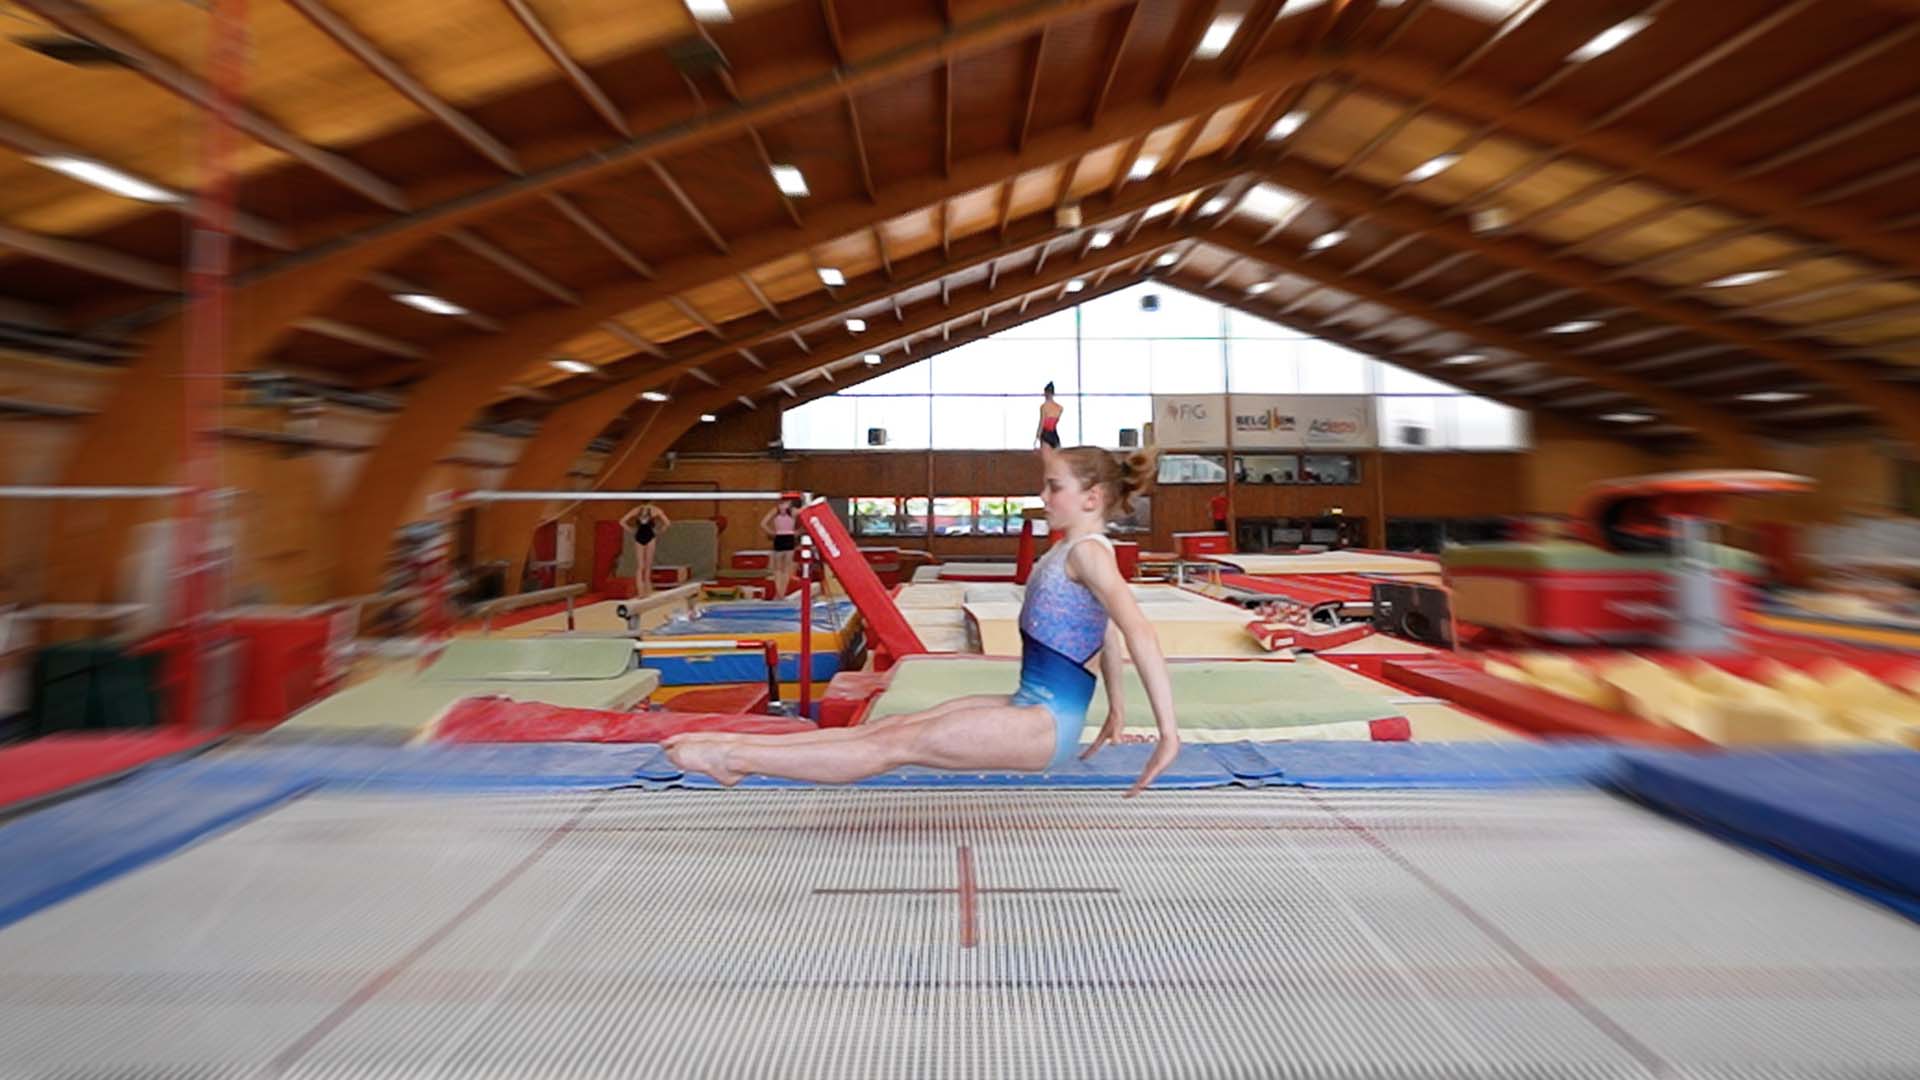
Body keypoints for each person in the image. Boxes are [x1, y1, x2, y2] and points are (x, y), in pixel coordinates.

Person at [666, 446, 1181, 796]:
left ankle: (734, 759)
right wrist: (1115, 707)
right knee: (889, 727)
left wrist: (1167, 731)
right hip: (1030, 706)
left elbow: (1138, 630)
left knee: (891, 746)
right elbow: (1105, 629)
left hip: (1043, 725)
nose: (1044, 497)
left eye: (1054, 487)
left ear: (1091, 498)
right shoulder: (1070, 550)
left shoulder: (1090, 553)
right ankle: (735, 748)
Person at [619, 502, 669, 597]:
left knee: (640, 566)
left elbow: (622, 521)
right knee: (647, 566)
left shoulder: (636, 510)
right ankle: (647, 590)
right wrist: (660, 531)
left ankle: (641, 591)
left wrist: (631, 530)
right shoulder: (655, 510)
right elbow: (667, 523)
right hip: (650, 536)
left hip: (639, 536)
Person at [759, 496, 800, 596]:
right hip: (783, 537)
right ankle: (779, 592)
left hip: (785, 537)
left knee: (784, 568)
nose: (783, 506)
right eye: (782, 503)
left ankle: (781, 592)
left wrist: (798, 532)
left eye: (785, 503)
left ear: (790, 503)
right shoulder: (777, 511)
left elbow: (763, 524)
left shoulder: (793, 511)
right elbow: (763, 524)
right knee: (779, 568)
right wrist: (772, 533)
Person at [1035, 382, 1064, 449]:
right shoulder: (1060, 408)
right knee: (1056, 455)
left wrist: (1038, 435)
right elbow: (1055, 421)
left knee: (1046, 457)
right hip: (1054, 434)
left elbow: (1042, 422)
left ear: (1046, 393)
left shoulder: (1044, 407)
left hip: (1046, 434)